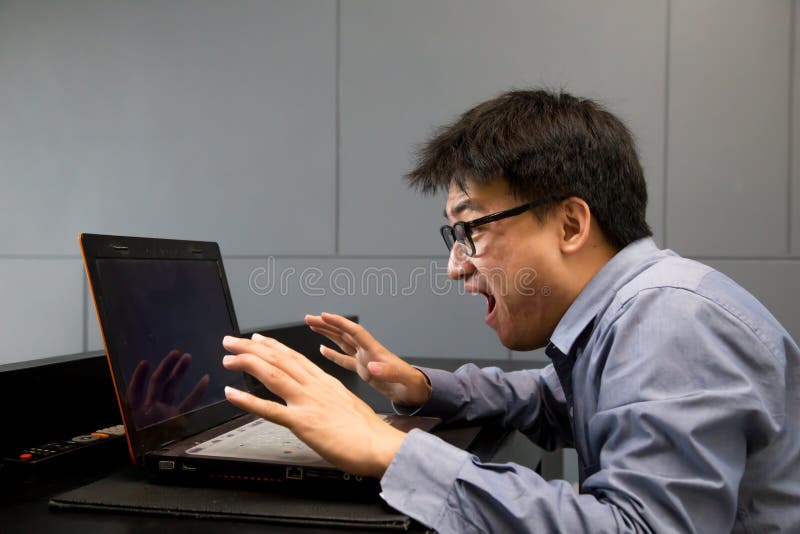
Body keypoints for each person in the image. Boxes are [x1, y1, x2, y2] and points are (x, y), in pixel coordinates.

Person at [220, 89, 800, 532]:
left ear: (570, 224)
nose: (455, 265)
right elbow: (552, 400)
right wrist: (421, 388)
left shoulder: (670, 322)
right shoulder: (633, 314)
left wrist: (388, 449)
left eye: (470, 230)